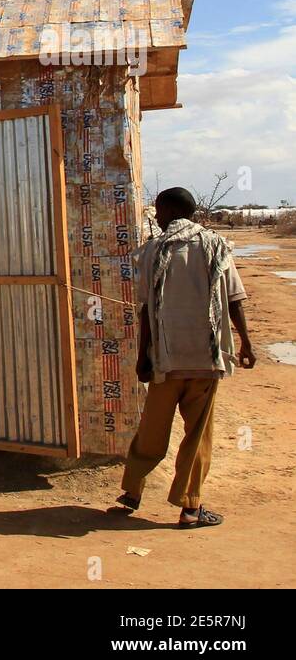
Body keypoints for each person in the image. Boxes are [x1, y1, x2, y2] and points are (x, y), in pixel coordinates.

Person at [116, 187, 256, 528]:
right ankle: (190, 508)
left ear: (169, 211)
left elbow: (147, 309)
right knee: (197, 436)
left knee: (152, 428)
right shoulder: (216, 246)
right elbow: (235, 300)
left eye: (159, 211)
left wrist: (143, 356)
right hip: (205, 359)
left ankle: (132, 491)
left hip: (166, 359)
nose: (157, 218)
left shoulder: (153, 251)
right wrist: (246, 343)